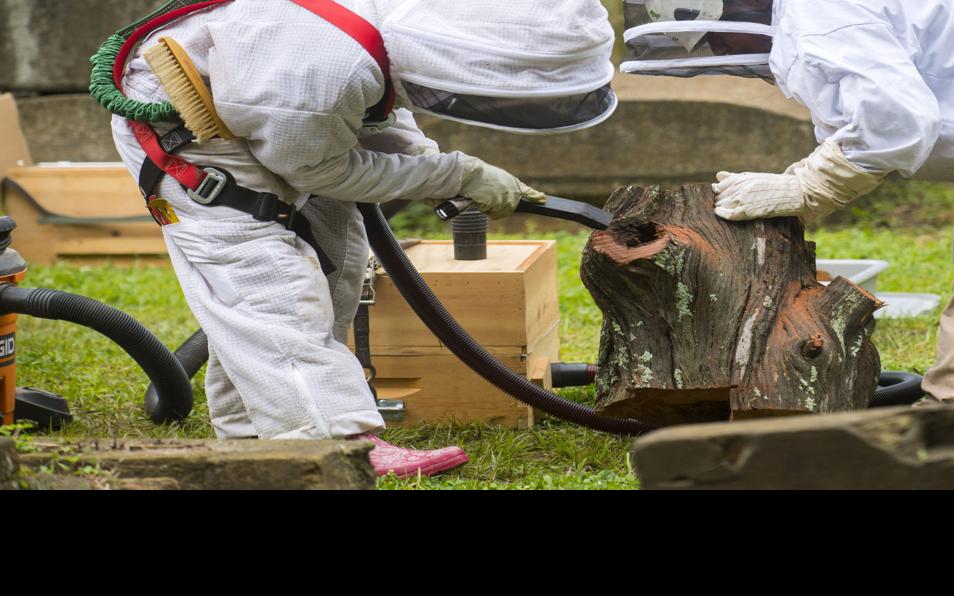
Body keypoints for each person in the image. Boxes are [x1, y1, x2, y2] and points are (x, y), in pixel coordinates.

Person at [108, 0, 617, 475]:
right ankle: (333, 443)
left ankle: (254, 431)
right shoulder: (326, 68)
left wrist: (433, 164)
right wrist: (454, 175)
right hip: (192, 137)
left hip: (275, 112)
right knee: (265, 281)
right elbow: (315, 167)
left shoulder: (374, 40)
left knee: (339, 263)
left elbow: (377, 113)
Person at [622, 0, 954, 425]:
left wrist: (807, 187)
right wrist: (800, 183)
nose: (719, 50)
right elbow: (871, 121)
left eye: (714, 37)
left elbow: (897, 119)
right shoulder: (813, 18)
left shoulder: (820, 18)